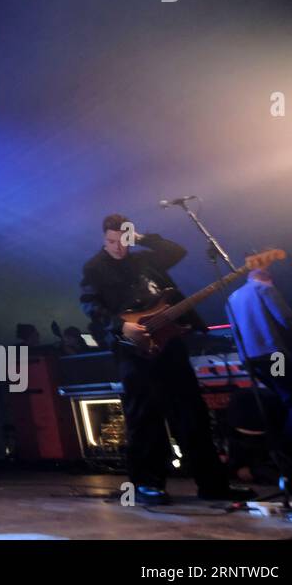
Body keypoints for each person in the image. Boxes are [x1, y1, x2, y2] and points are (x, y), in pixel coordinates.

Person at [79, 213, 252, 506]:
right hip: (132, 348)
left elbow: (176, 251)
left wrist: (142, 238)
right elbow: (89, 305)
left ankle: (213, 484)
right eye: (111, 241)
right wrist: (121, 326)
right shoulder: (95, 267)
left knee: (192, 414)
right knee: (144, 416)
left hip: (169, 341)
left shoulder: (144, 260)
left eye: (123, 241)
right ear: (103, 238)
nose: (118, 247)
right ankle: (147, 484)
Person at [228, 259, 292, 475]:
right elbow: (287, 320)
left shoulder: (233, 297)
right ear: (266, 273)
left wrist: (247, 362)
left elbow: (236, 333)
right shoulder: (265, 289)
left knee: (290, 401)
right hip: (275, 356)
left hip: (255, 360)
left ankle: (291, 460)